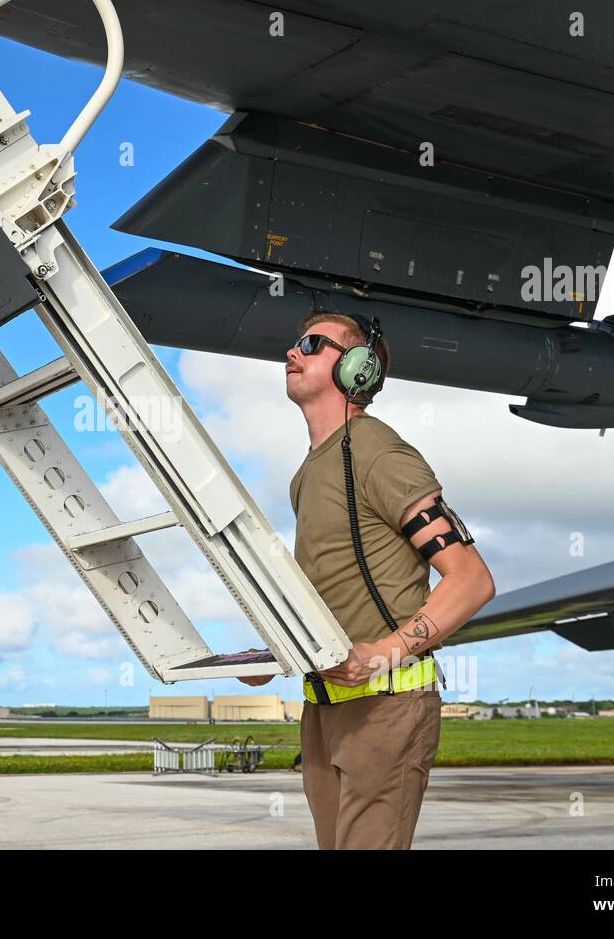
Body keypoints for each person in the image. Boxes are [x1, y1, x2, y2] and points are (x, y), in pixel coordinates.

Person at [239, 311, 496, 849]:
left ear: (358, 368)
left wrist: (383, 653)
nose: (293, 352)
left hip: (386, 707)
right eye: (294, 341)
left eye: (313, 343)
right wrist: (275, 650)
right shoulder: (307, 473)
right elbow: (327, 588)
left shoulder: (381, 454)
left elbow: (471, 580)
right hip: (325, 707)